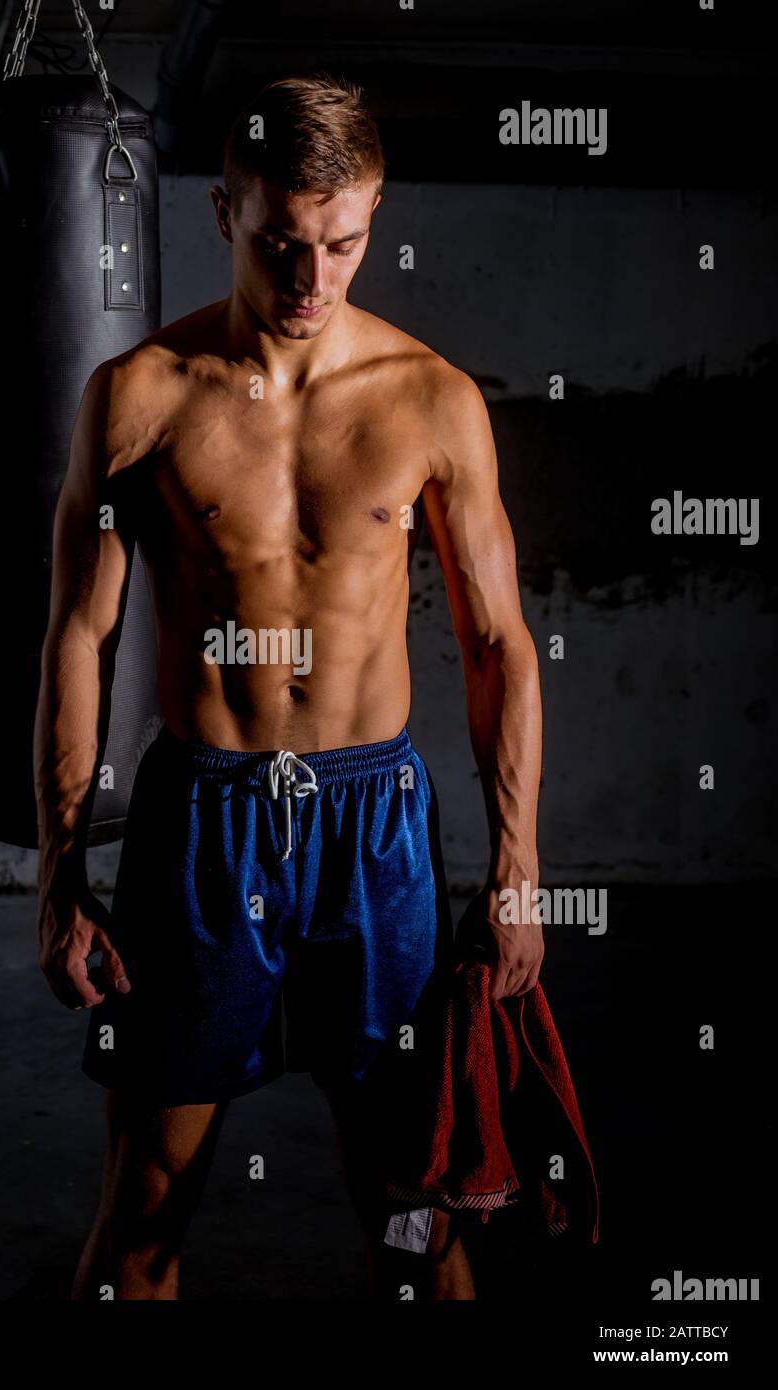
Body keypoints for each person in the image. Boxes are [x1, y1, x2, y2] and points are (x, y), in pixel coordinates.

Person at [33, 71, 544, 1301]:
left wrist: (518, 872)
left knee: (411, 1212)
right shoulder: (139, 397)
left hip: (375, 829)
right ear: (223, 211)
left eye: (343, 243)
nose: (312, 279)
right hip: (201, 821)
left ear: (372, 220)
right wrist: (58, 881)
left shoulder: (431, 401)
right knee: (145, 1208)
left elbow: (500, 645)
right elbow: (77, 636)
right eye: (280, 243)